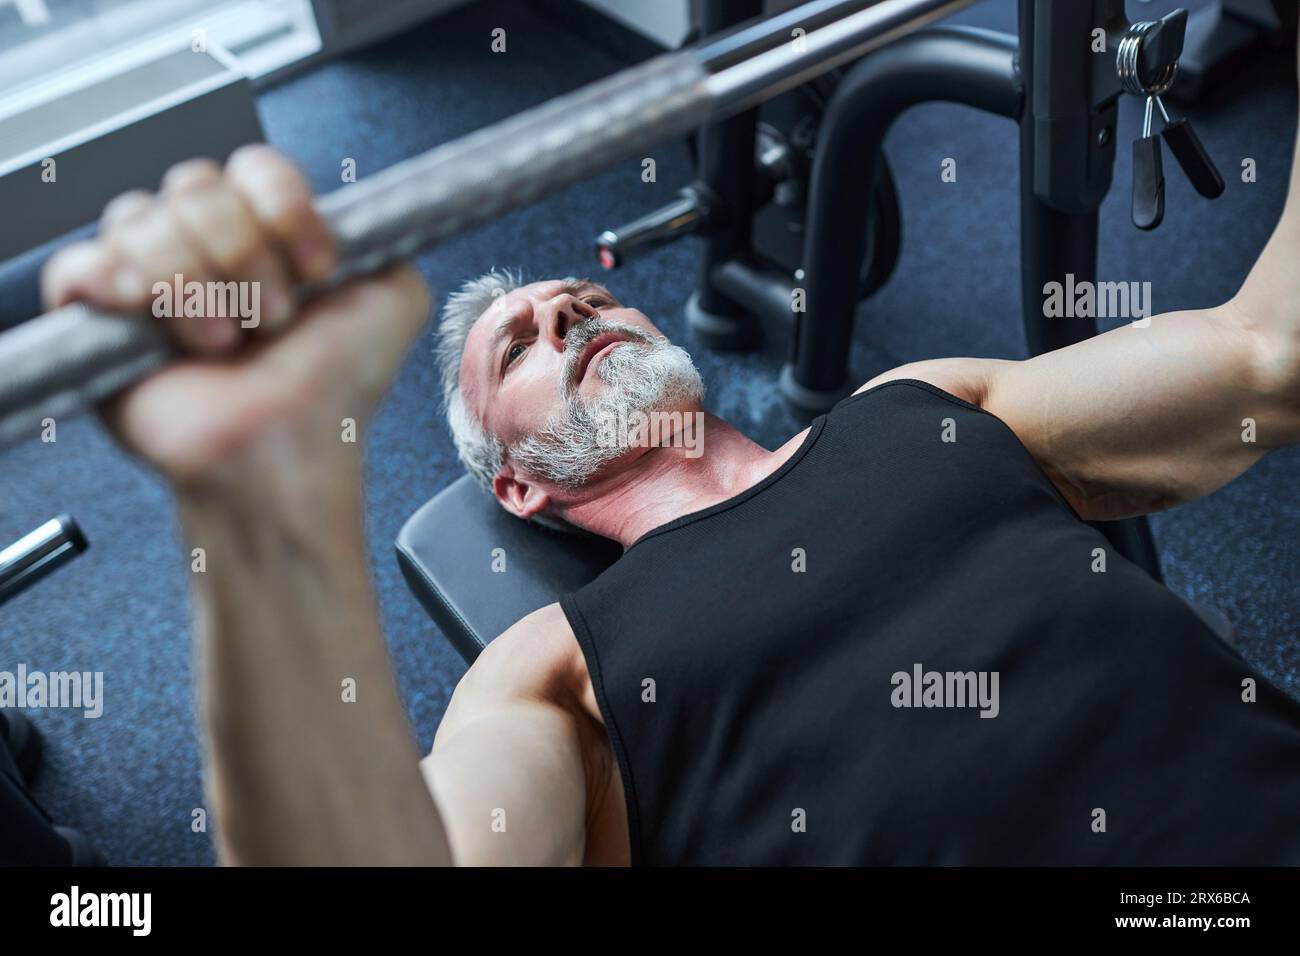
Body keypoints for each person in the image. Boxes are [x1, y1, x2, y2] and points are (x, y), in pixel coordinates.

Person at [37, 31, 1300, 865]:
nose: (567, 312)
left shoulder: (918, 398)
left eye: (580, 301)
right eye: (518, 348)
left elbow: (1264, 360)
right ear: (515, 483)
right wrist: (268, 503)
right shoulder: (551, 669)